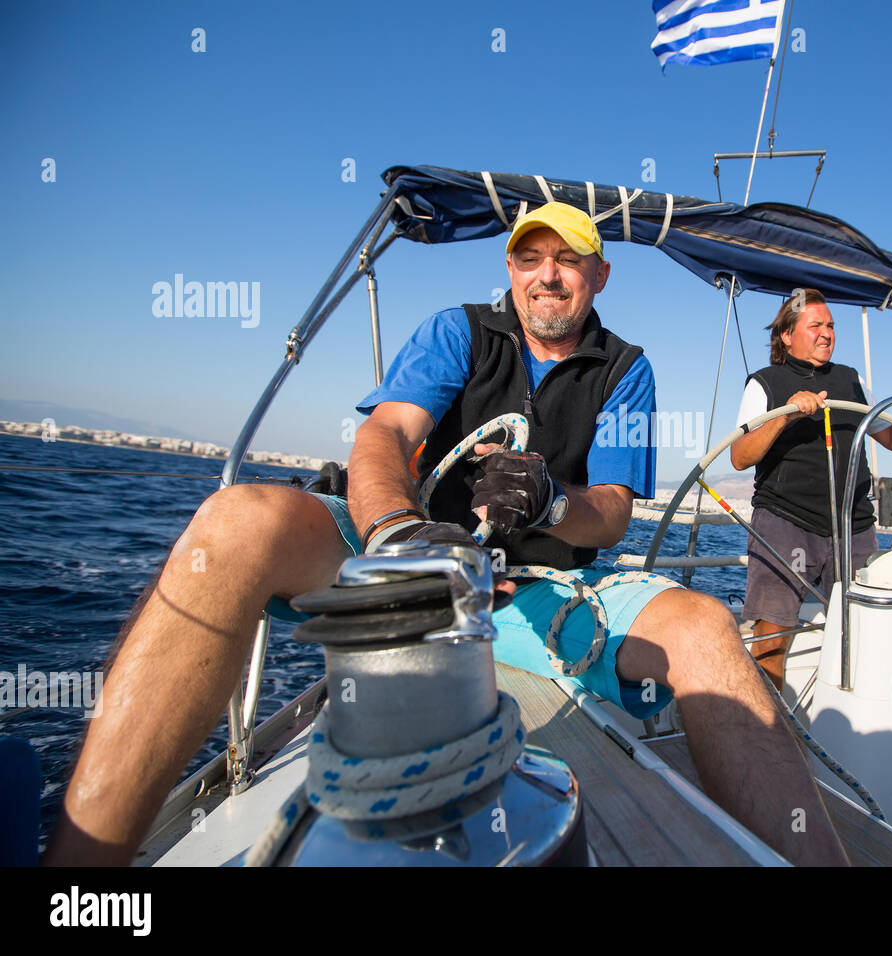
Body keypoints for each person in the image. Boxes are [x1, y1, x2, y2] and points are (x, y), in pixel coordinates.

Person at [46, 204, 848, 867]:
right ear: (510, 270)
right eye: (529, 256)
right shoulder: (456, 332)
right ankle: (79, 881)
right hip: (403, 559)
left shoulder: (625, 369)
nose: (548, 274)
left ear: (599, 275)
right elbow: (385, 437)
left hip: (541, 588)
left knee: (707, 627)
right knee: (235, 522)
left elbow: (609, 510)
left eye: (569, 259)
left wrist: (549, 505)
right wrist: (401, 533)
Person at [731, 289, 892, 691]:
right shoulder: (765, 383)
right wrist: (785, 416)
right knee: (771, 638)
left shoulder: (850, 379)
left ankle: (852, 724)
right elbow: (740, 456)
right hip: (786, 522)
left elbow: (887, 438)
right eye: (815, 325)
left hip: (853, 525)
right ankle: (772, 734)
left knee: (865, 630)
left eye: (830, 325)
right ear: (786, 335)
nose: (826, 333)